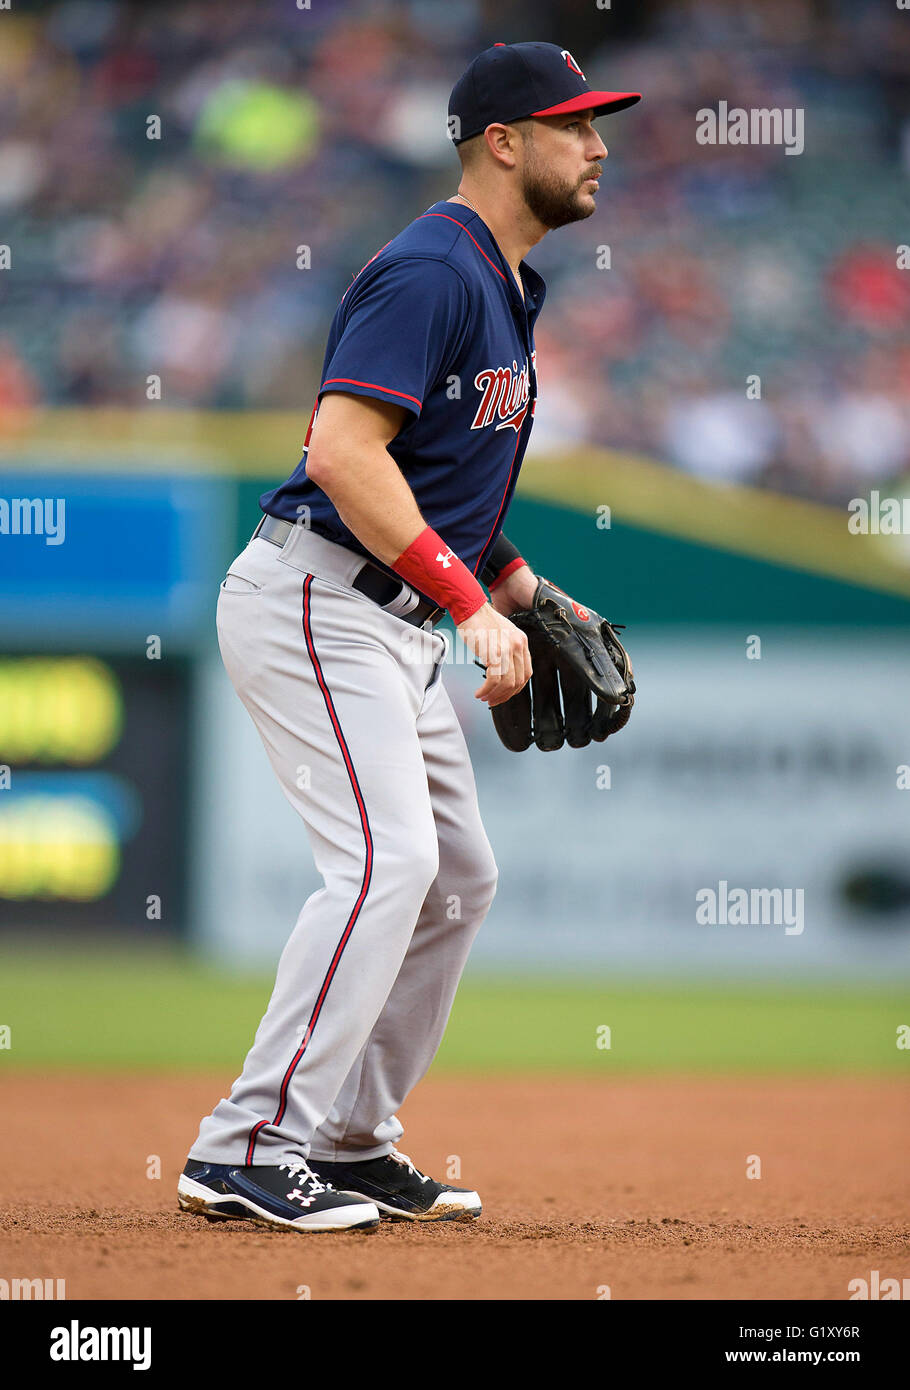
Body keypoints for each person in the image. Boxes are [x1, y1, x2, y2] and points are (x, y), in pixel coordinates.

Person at [178, 41, 640, 1233]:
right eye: (575, 124)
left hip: (389, 616)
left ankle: (343, 1137)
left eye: (599, 123)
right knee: (388, 867)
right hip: (316, 599)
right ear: (502, 140)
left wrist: (527, 589)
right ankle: (245, 1145)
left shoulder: (503, 280)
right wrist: (471, 604)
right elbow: (342, 453)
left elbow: (435, 482)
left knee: (457, 879)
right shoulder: (436, 268)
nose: (598, 145)